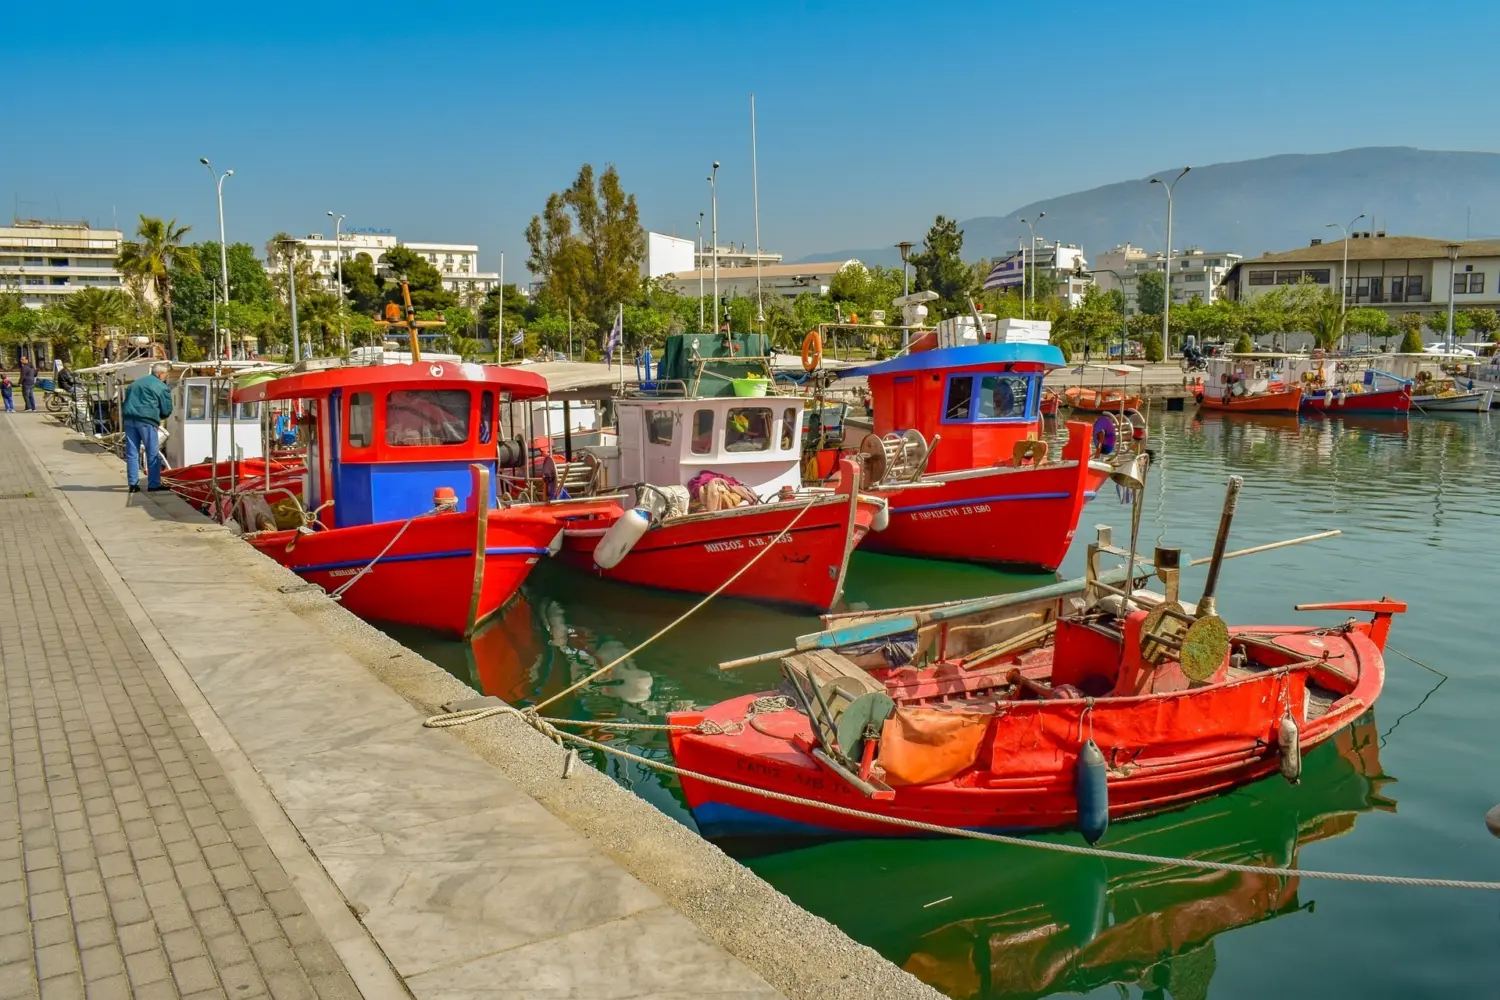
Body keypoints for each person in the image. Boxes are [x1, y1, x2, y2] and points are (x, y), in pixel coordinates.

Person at [121, 362, 174, 493]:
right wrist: (158, 417)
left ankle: (133, 485)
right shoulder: (161, 387)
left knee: (132, 453)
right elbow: (167, 409)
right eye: (166, 374)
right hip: (147, 421)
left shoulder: (135, 383)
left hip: (129, 419)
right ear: (160, 374)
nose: (166, 377)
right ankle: (153, 484)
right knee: (152, 452)